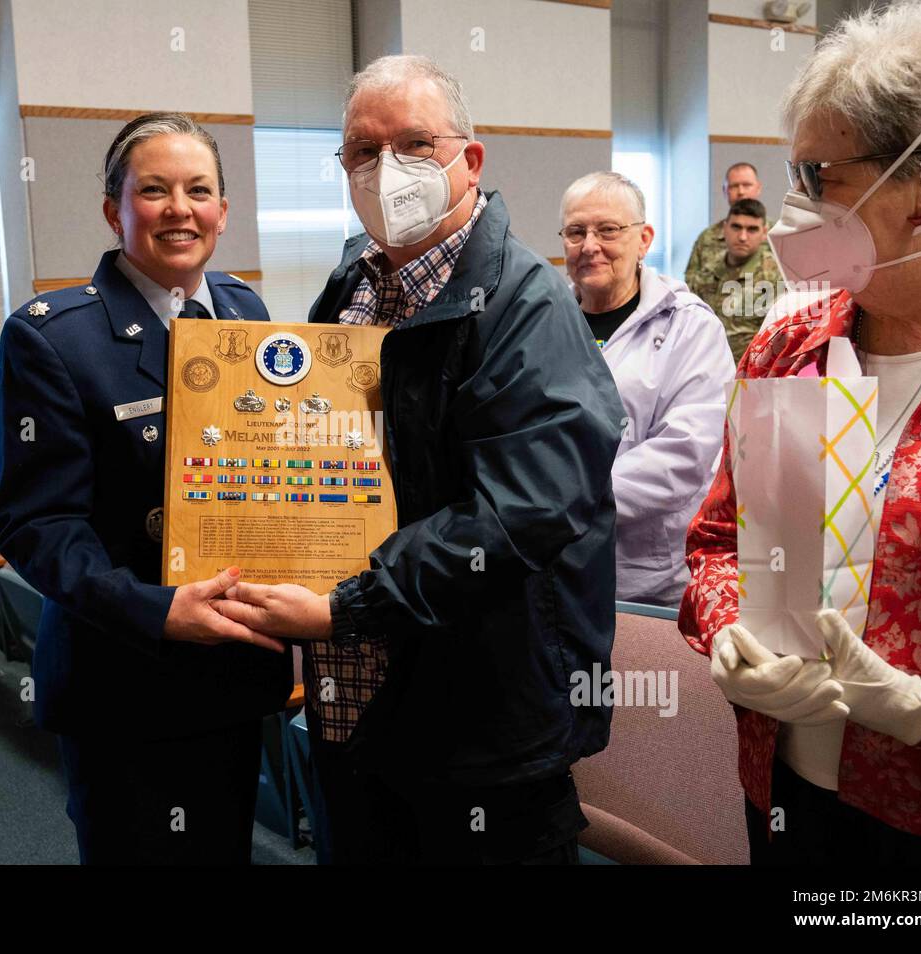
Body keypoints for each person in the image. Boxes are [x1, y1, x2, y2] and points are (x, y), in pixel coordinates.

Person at [214, 54, 626, 865]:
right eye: (362, 153)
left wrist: (346, 604)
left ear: (469, 160)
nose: (384, 171)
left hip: (482, 703)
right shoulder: (351, 283)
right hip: (360, 695)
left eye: (412, 145)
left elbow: (526, 511)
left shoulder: (525, 302)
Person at [682, 0, 921, 862]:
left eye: (820, 177)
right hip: (783, 795)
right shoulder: (793, 339)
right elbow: (715, 543)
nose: (790, 210)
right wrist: (730, 624)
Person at [0, 112, 292, 865]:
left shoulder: (245, 311)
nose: (179, 209)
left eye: (199, 190)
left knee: (223, 848)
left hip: (234, 664)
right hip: (124, 677)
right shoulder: (52, 336)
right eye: (153, 190)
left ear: (224, 210)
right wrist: (158, 612)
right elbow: (39, 525)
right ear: (113, 210)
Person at [560, 171, 735, 607]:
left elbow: (685, 453)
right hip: (556, 570)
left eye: (609, 230)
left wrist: (563, 503)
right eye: (576, 231)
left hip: (648, 580)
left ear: (644, 239)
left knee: (648, 676)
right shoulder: (546, 322)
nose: (590, 246)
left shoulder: (690, 327)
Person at [686, 198, 785, 362]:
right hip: (705, 366)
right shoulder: (707, 269)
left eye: (752, 229)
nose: (743, 237)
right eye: (736, 227)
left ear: (764, 234)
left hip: (749, 373)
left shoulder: (776, 275)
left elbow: (781, 336)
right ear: (725, 228)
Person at [683, 162, 772, 279]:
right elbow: (691, 283)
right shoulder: (707, 237)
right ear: (725, 190)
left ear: (758, 188)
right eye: (734, 186)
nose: (741, 192)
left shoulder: (777, 235)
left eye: (747, 185)